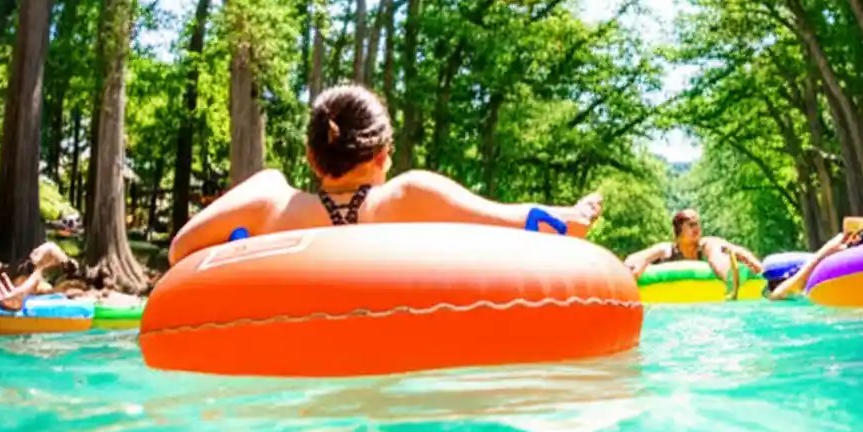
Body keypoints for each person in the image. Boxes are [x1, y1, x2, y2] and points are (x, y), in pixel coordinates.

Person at [169, 84, 603, 265]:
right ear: (383, 154)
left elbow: (179, 252)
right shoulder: (412, 196)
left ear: (311, 156)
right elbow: (546, 226)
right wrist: (581, 209)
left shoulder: (268, 201)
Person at [623, 209, 763, 295]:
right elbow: (636, 258)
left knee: (714, 246)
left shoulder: (707, 244)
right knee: (639, 261)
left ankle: (730, 278)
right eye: (691, 224)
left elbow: (735, 250)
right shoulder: (667, 250)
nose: (696, 228)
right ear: (679, 231)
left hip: (713, 296)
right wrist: (637, 267)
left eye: (697, 224)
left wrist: (758, 268)